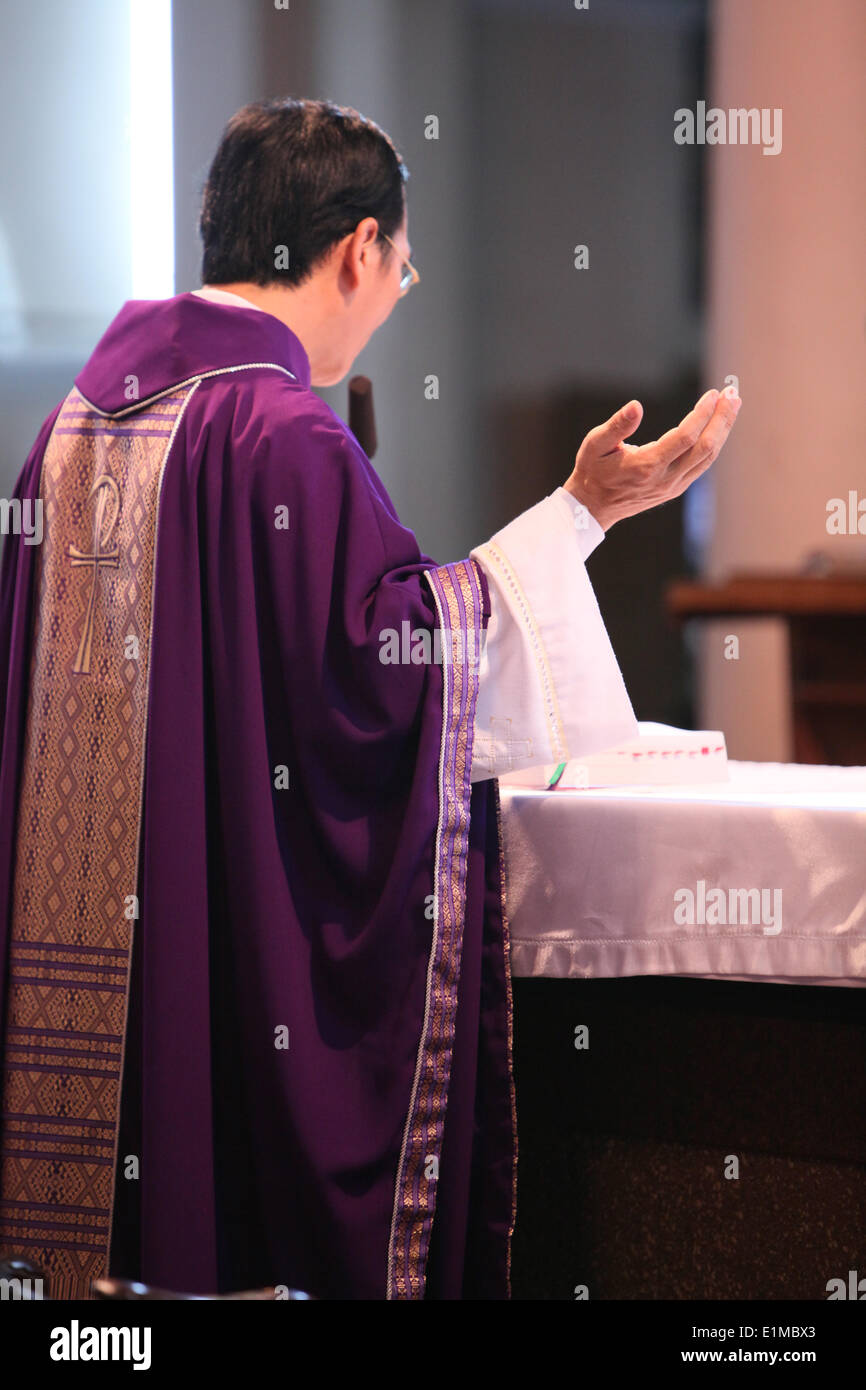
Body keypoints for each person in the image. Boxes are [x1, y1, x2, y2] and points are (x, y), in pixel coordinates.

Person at [0, 97, 739, 1302]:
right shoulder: (281, 433)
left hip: (87, 968)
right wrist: (579, 516)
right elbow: (380, 674)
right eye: (399, 260)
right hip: (219, 955)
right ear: (355, 250)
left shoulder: (69, 430)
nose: (399, 289)